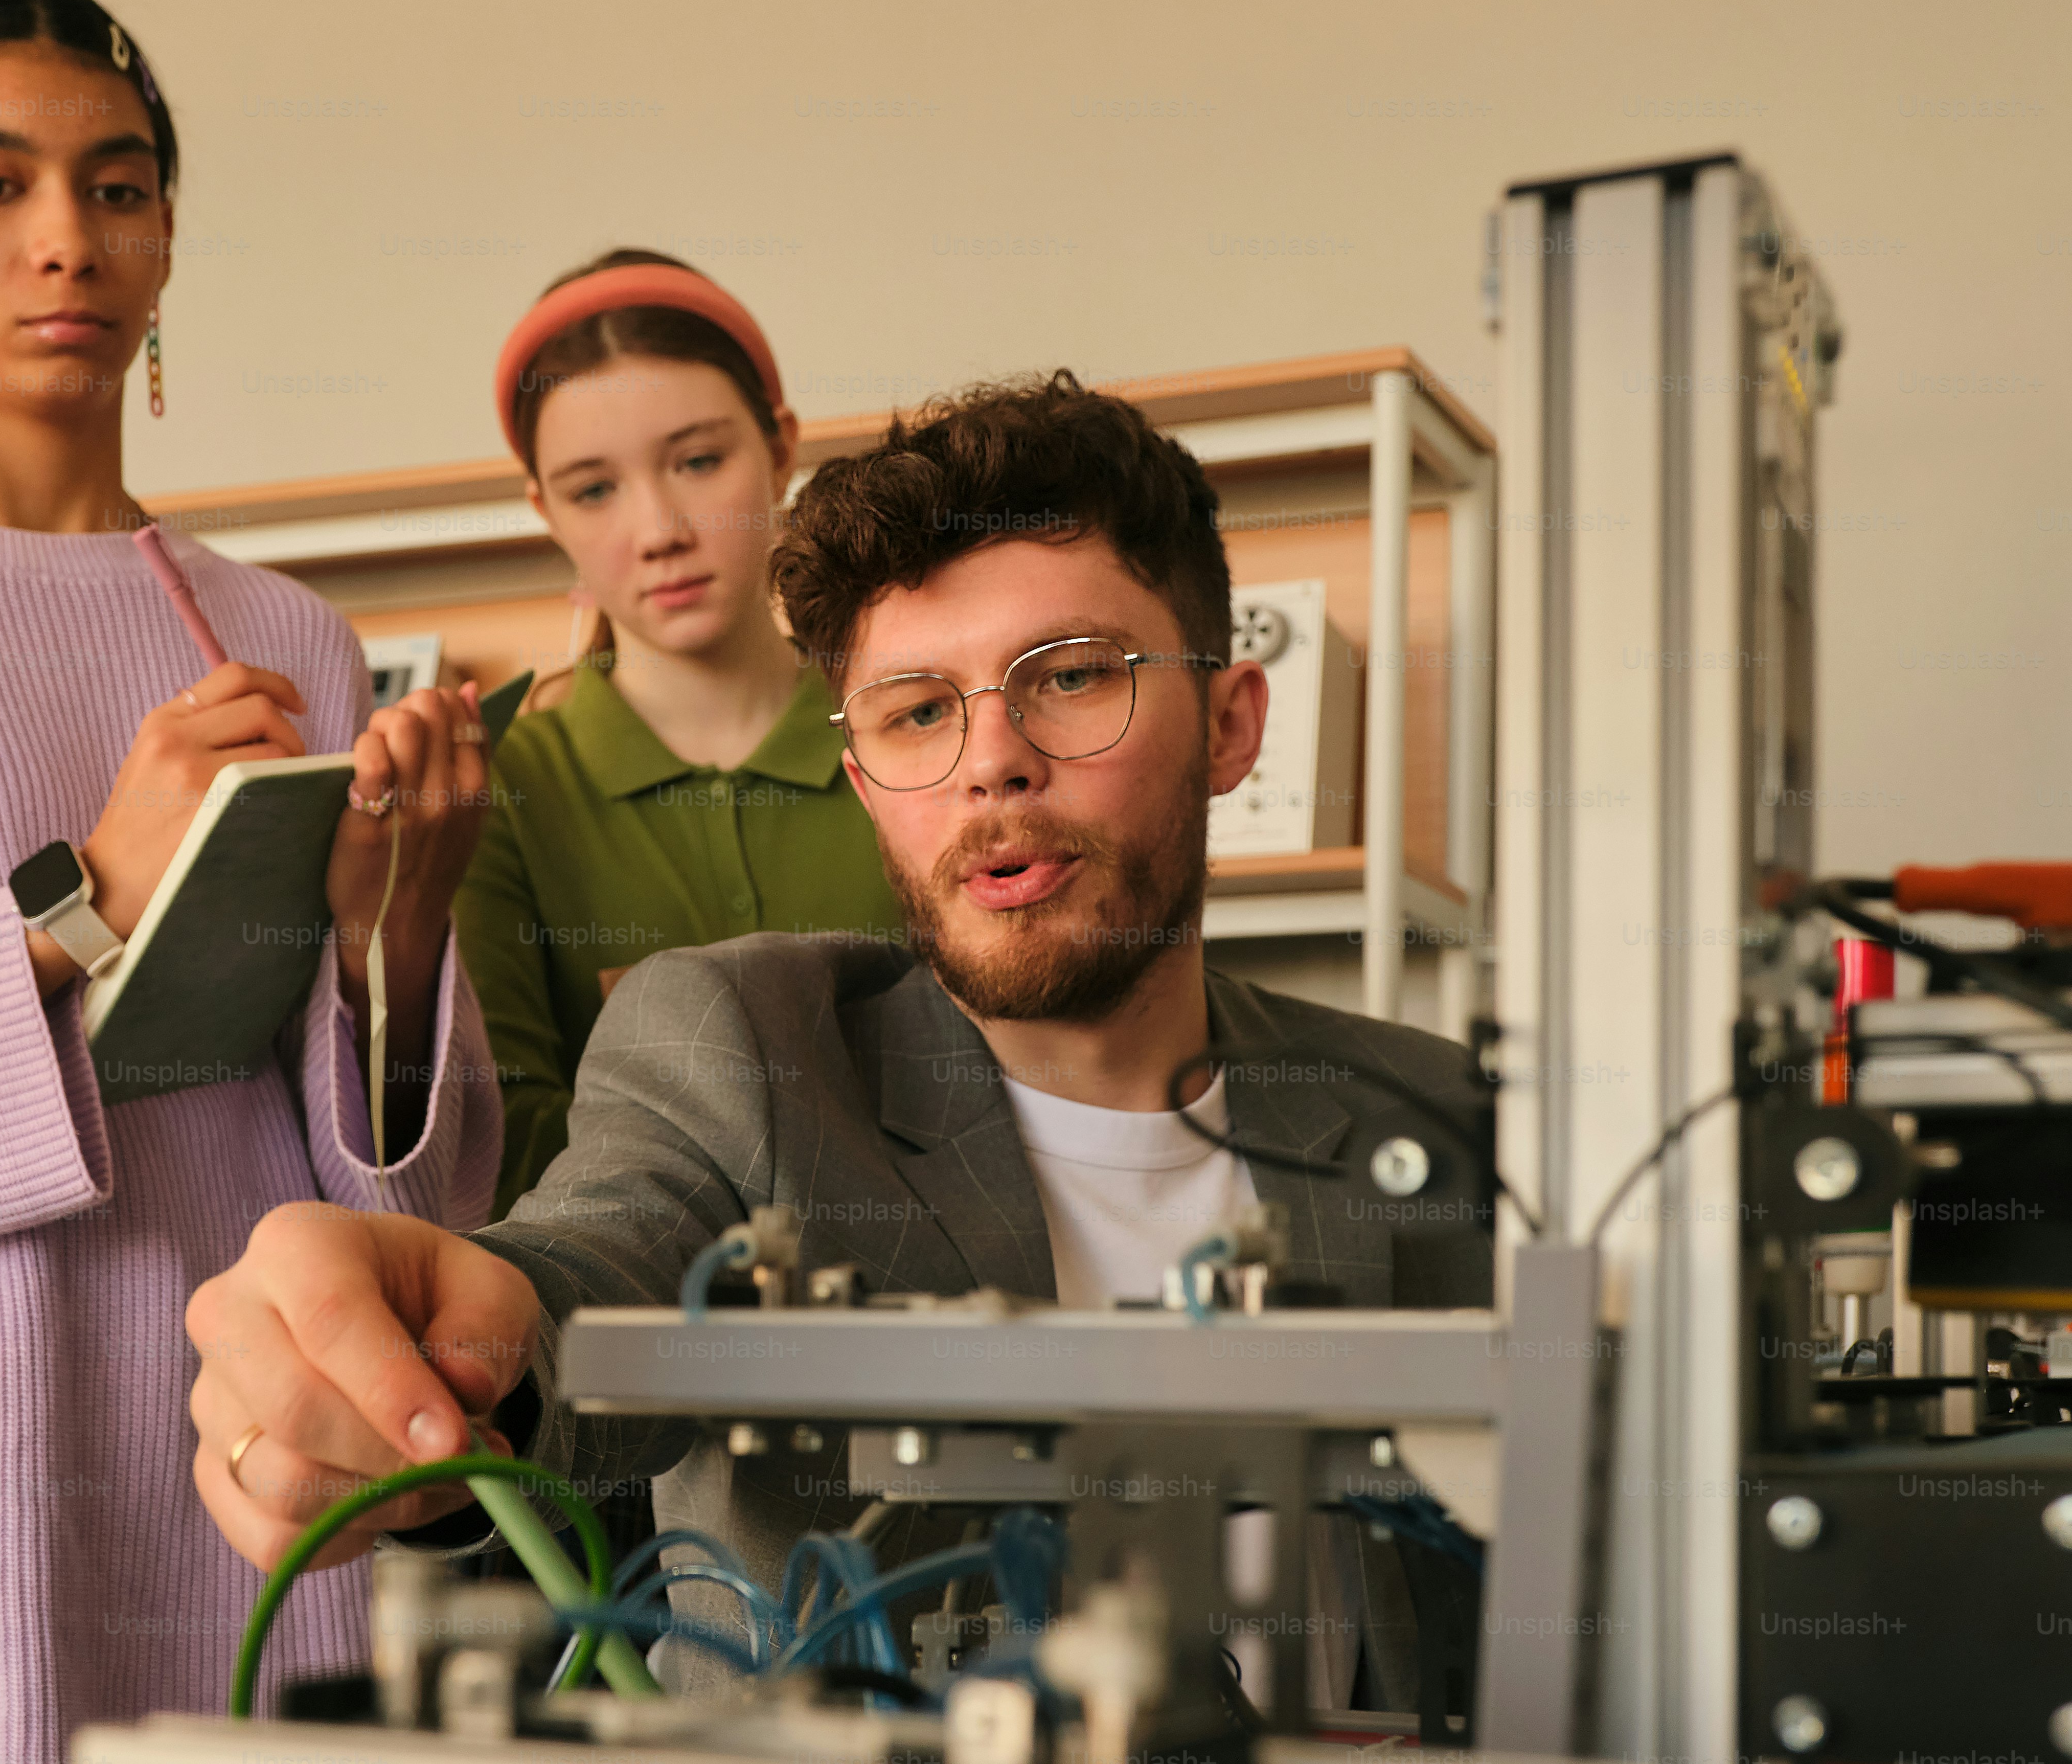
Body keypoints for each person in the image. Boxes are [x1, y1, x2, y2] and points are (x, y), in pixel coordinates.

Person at [186, 374, 1495, 1707]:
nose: (993, 762)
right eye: (921, 711)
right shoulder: (753, 1056)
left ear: (1229, 726)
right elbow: (580, 1283)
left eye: (1074, 678)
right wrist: (452, 1349)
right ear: (868, 784)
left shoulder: (1429, 1114)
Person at [0, 0, 501, 1761]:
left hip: (234, 1488)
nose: (65, 243)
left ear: (166, 238)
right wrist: (82, 886)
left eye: (118, 187)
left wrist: (403, 935)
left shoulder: (285, 633)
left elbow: (400, 1221)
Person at [458, 250, 901, 1219]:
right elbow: (509, 1153)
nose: (659, 528)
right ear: (544, 509)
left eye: (699, 462)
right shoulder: (494, 797)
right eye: (593, 490)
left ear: (780, 447)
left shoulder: (918, 739)